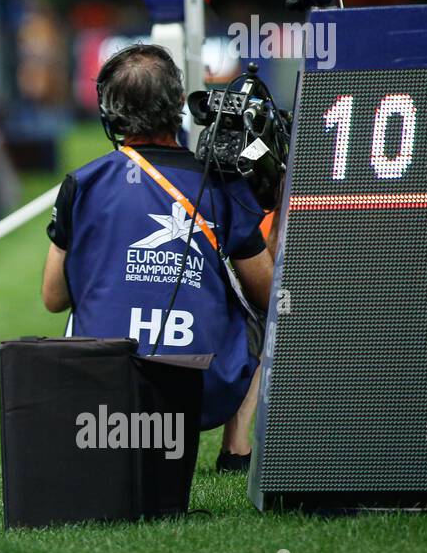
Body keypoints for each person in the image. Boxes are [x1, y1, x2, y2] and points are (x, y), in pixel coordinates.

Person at [40, 44, 279, 471]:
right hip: (202, 394)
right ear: (178, 105)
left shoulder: (83, 183)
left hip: (102, 396)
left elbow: (53, 297)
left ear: (111, 113)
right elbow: (268, 295)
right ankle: (237, 446)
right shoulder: (223, 185)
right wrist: (276, 220)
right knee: (269, 312)